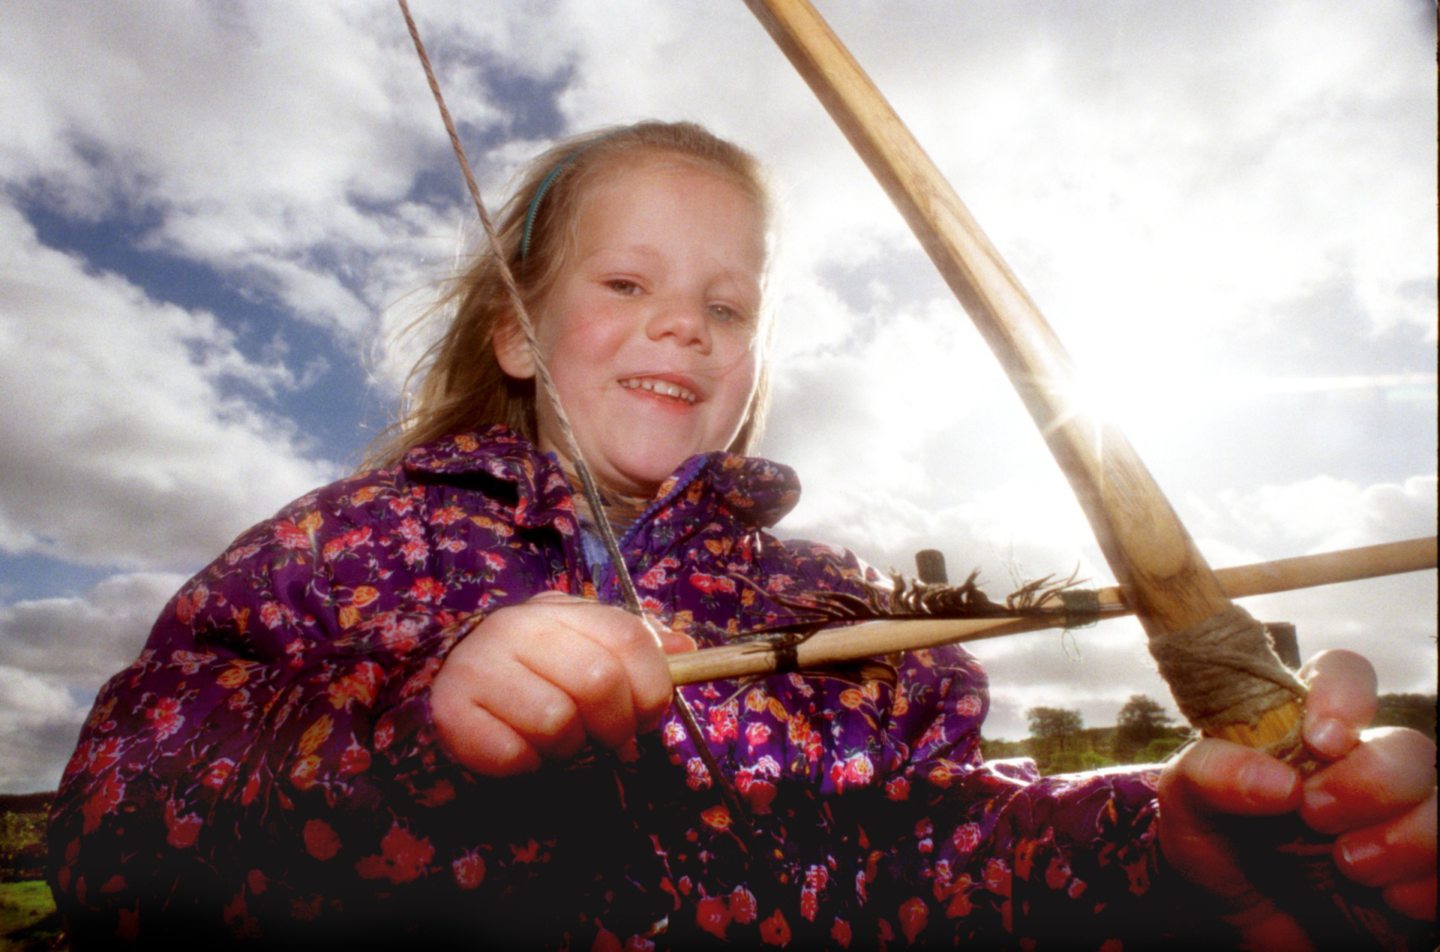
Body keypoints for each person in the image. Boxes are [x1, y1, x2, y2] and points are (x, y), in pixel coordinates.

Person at [47, 120, 1435, 948]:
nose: (685, 325)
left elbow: (936, 858)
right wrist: (416, 747)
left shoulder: (832, 603)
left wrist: (1167, 852)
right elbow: (124, 822)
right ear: (516, 331)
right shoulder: (355, 546)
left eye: (728, 303)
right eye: (628, 280)